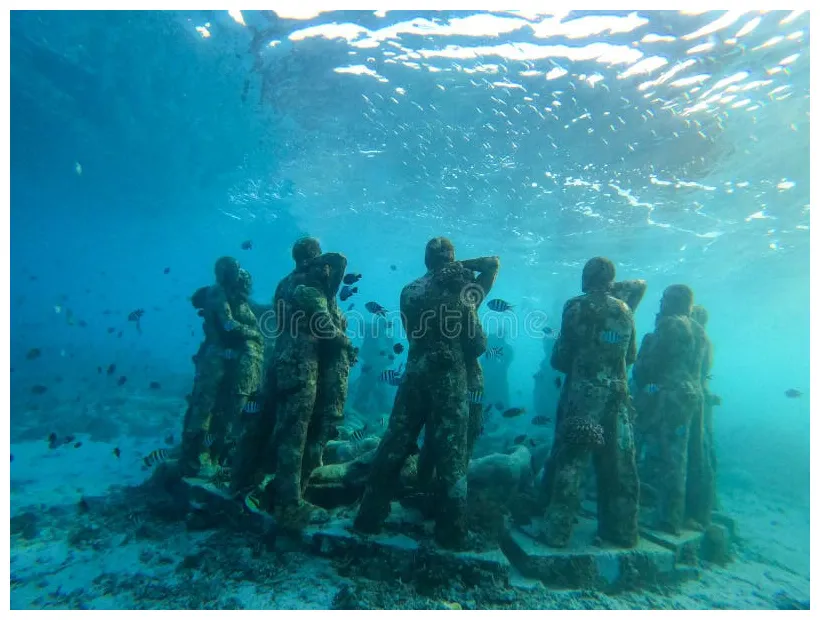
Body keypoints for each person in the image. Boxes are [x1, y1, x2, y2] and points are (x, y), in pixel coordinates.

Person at [354, 238, 488, 549]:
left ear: (426, 260)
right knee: (452, 450)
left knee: (395, 441)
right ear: (452, 260)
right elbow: (478, 343)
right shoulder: (459, 291)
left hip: (413, 374)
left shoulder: (408, 291)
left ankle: (369, 515)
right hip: (449, 379)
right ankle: (452, 530)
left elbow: (411, 334)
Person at [541, 257, 640, 548]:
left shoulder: (576, 306)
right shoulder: (624, 310)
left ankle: (557, 531)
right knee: (621, 462)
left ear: (587, 277)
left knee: (573, 458)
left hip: (583, 394)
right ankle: (622, 532)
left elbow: (559, 359)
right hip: (618, 393)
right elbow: (631, 356)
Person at [265, 244, 353, 526]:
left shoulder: (286, 283)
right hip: (300, 363)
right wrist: (346, 343)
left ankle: (293, 486)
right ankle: (288, 504)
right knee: (295, 429)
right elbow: (325, 326)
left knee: (294, 426)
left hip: (285, 359)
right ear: (312, 259)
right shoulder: (306, 285)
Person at [633, 285, 708, 534]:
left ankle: (653, 513)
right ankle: (675, 516)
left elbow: (649, 366)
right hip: (691, 397)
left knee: (654, 449)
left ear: (672, 301)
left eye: (664, 299)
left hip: (667, 396)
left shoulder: (670, 325)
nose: (661, 304)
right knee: (679, 457)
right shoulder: (700, 331)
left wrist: (644, 350)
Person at [182, 257, 263, 477]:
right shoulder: (218, 293)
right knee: (204, 404)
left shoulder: (234, 296)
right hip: (214, 357)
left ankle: (212, 452)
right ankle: (196, 456)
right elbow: (228, 324)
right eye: (236, 275)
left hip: (228, 358)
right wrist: (256, 334)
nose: (242, 283)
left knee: (220, 404)